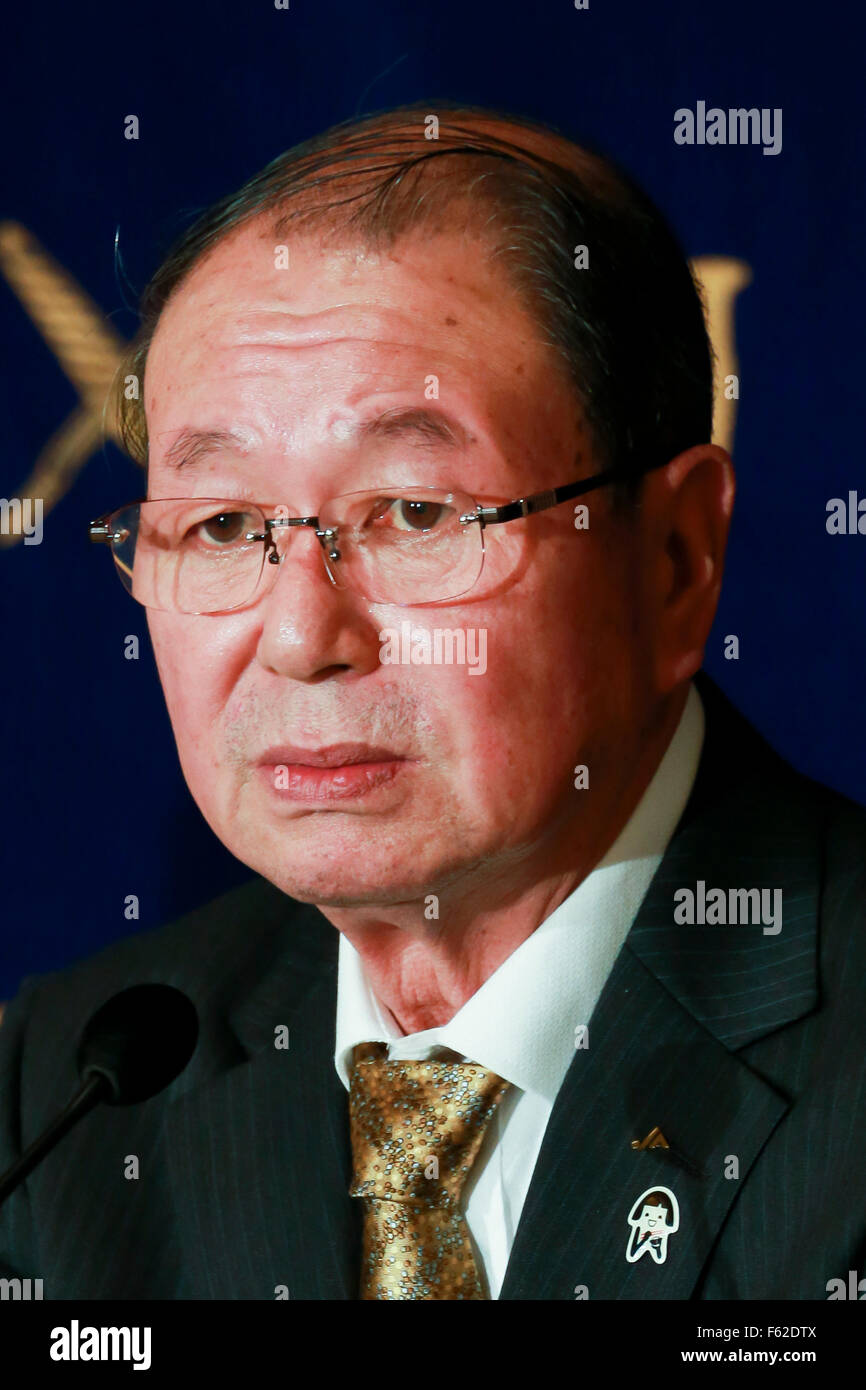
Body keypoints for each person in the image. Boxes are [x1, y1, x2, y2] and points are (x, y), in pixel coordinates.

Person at [1, 101, 864, 1301]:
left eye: (413, 513)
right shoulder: (69, 1087)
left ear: (670, 563)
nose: (302, 637)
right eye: (224, 524)